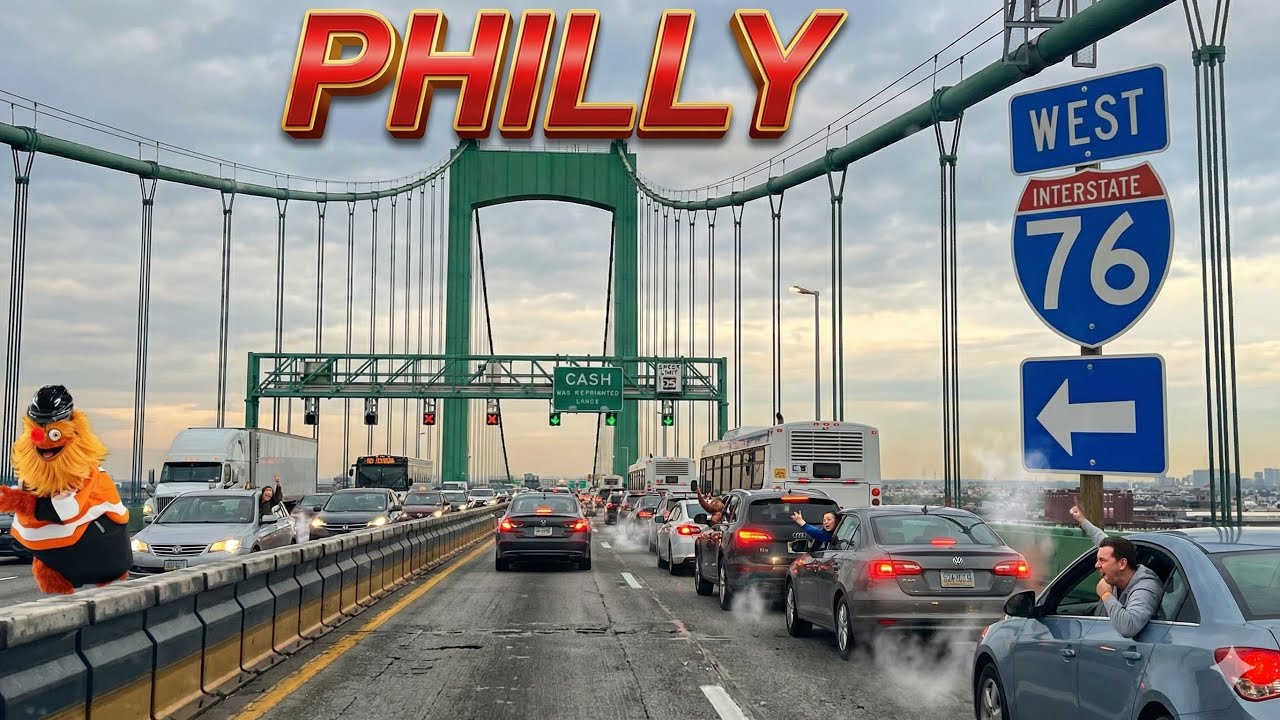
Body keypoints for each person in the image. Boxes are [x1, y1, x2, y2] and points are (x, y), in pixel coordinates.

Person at [1069, 504, 1164, 639]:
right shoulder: (1118, 572)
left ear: (1122, 563)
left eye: (1102, 560)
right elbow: (1099, 537)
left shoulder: (1145, 587)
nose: (1096, 565)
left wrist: (1106, 595)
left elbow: (1128, 627)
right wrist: (1082, 520)